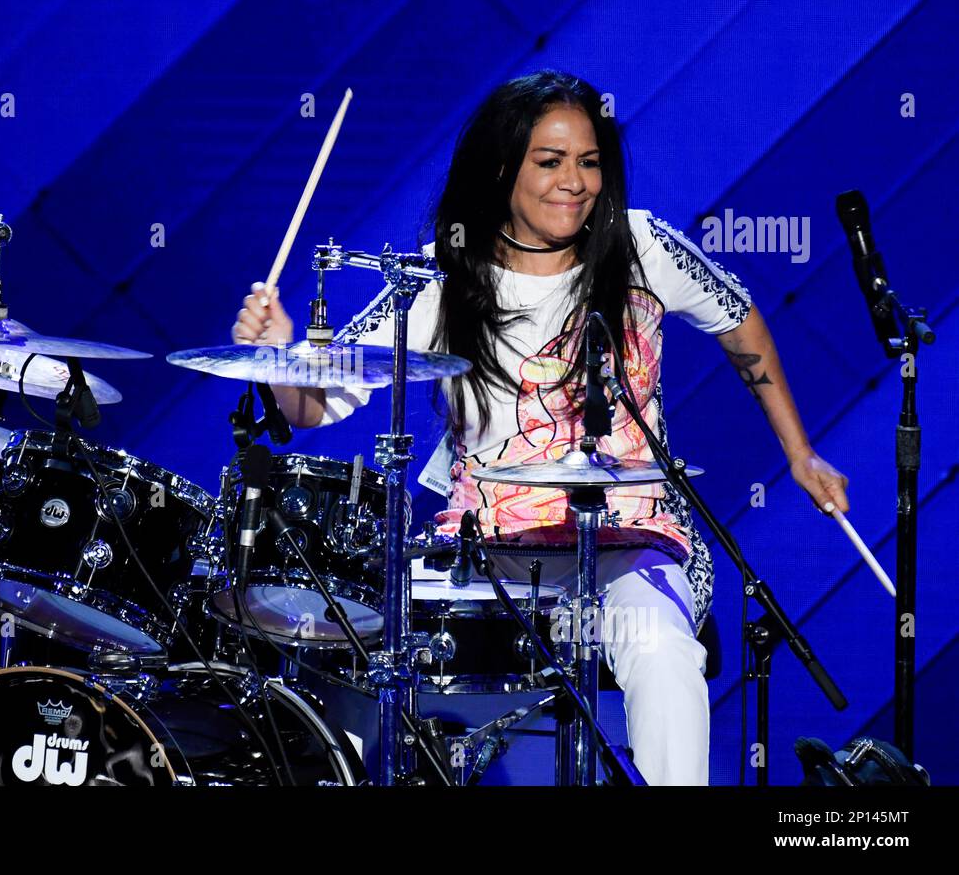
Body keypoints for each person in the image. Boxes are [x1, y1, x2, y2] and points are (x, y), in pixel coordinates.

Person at [231, 71, 849, 785]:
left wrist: (800, 455)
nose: (574, 182)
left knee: (662, 651)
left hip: (631, 540)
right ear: (503, 170)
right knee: (380, 652)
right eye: (550, 162)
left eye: (588, 162)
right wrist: (280, 355)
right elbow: (313, 405)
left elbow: (742, 326)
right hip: (488, 550)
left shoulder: (641, 245)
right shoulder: (441, 281)